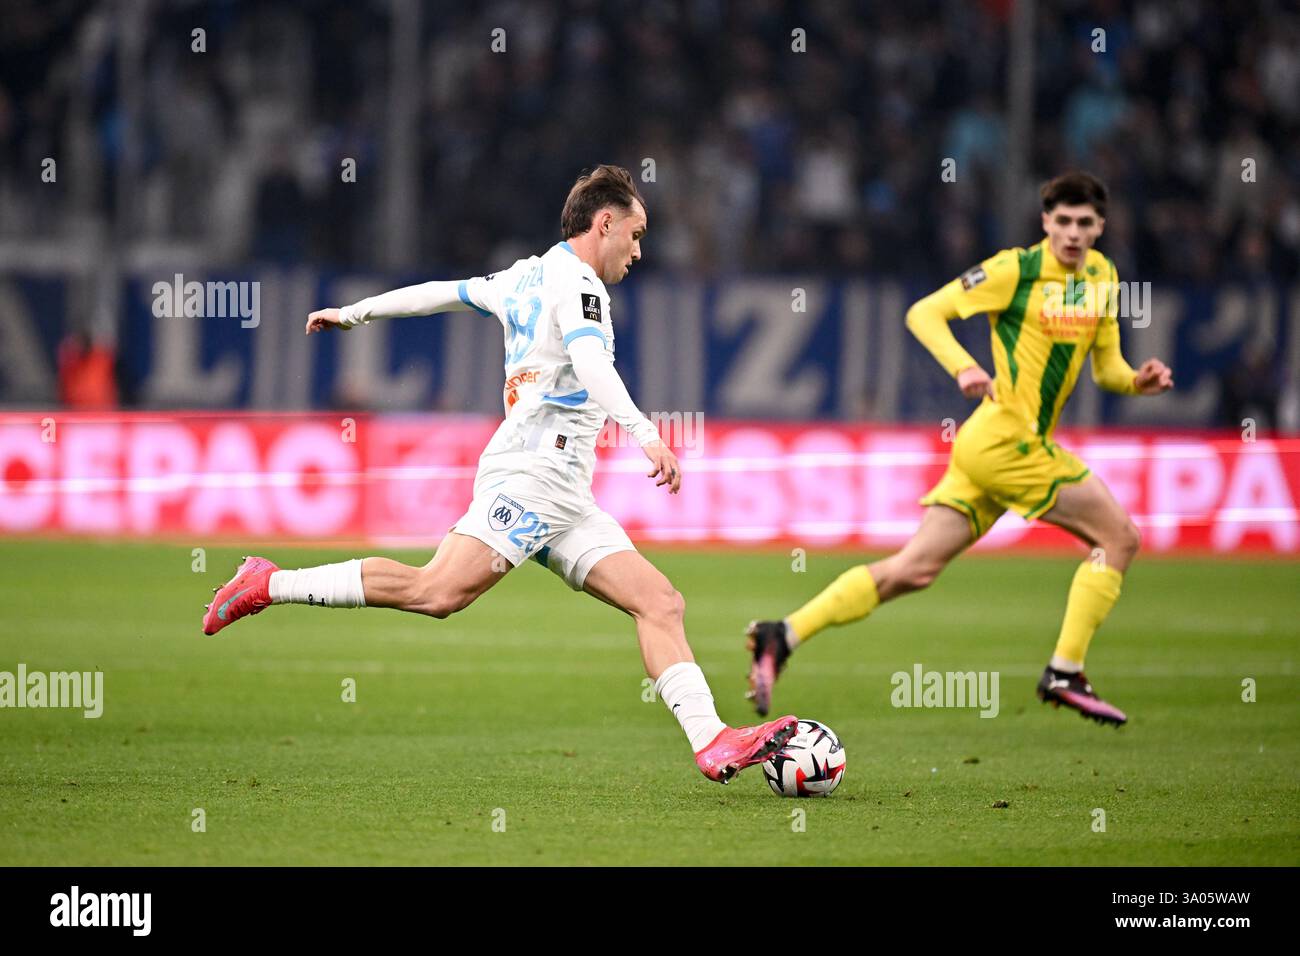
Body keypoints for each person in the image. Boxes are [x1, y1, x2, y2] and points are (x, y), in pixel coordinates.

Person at [202, 165, 797, 782]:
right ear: (606, 223)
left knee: (661, 603)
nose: (639, 250)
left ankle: (712, 740)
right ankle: (268, 583)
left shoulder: (523, 275)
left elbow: (438, 291)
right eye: (637, 234)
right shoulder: (583, 286)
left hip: (564, 492)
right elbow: (591, 361)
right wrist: (648, 435)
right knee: (436, 592)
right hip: (531, 477)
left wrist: (355, 313)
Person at [746, 171, 1174, 727]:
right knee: (1120, 537)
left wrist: (1136, 380)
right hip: (1007, 442)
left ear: (1101, 227)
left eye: (1084, 223)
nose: (1072, 232)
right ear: (1045, 222)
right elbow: (923, 312)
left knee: (911, 570)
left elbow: (1107, 367)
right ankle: (1065, 671)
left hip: (994, 447)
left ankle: (784, 634)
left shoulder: (1102, 277)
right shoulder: (1013, 270)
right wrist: (965, 366)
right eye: (1062, 221)